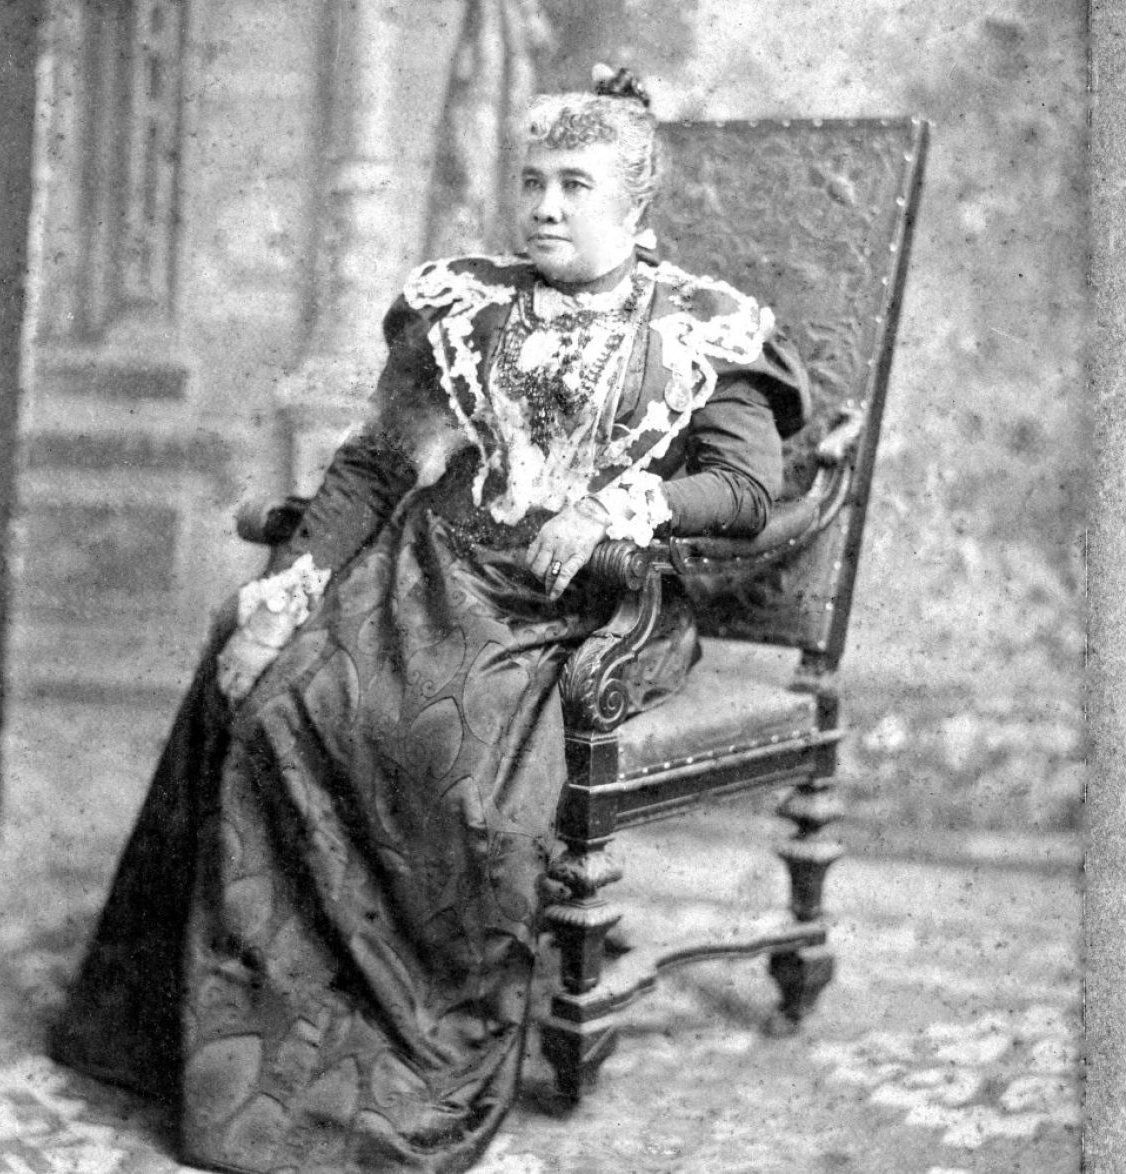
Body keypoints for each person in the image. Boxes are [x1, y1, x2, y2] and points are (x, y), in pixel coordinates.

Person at [51, 65, 809, 1174]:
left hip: (582, 603)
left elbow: (743, 490)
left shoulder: (701, 329)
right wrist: (291, 586)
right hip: (430, 567)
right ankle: (252, 1052)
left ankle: (400, 1041)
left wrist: (620, 504)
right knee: (274, 703)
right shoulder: (468, 305)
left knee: (450, 769)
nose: (544, 207)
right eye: (532, 182)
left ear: (635, 201)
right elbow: (373, 466)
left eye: (575, 184)